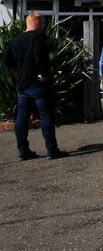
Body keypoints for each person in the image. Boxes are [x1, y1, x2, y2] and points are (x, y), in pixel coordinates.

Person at [3, 12, 66, 160]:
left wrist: (19, 72)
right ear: (36, 22)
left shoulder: (15, 39)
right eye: (43, 23)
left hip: (22, 85)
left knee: (22, 118)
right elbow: (40, 55)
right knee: (45, 116)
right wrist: (42, 72)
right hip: (38, 84)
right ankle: (52, 150)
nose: (44, 26)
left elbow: (7, 61)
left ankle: (23, 151)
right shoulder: (39, 37)